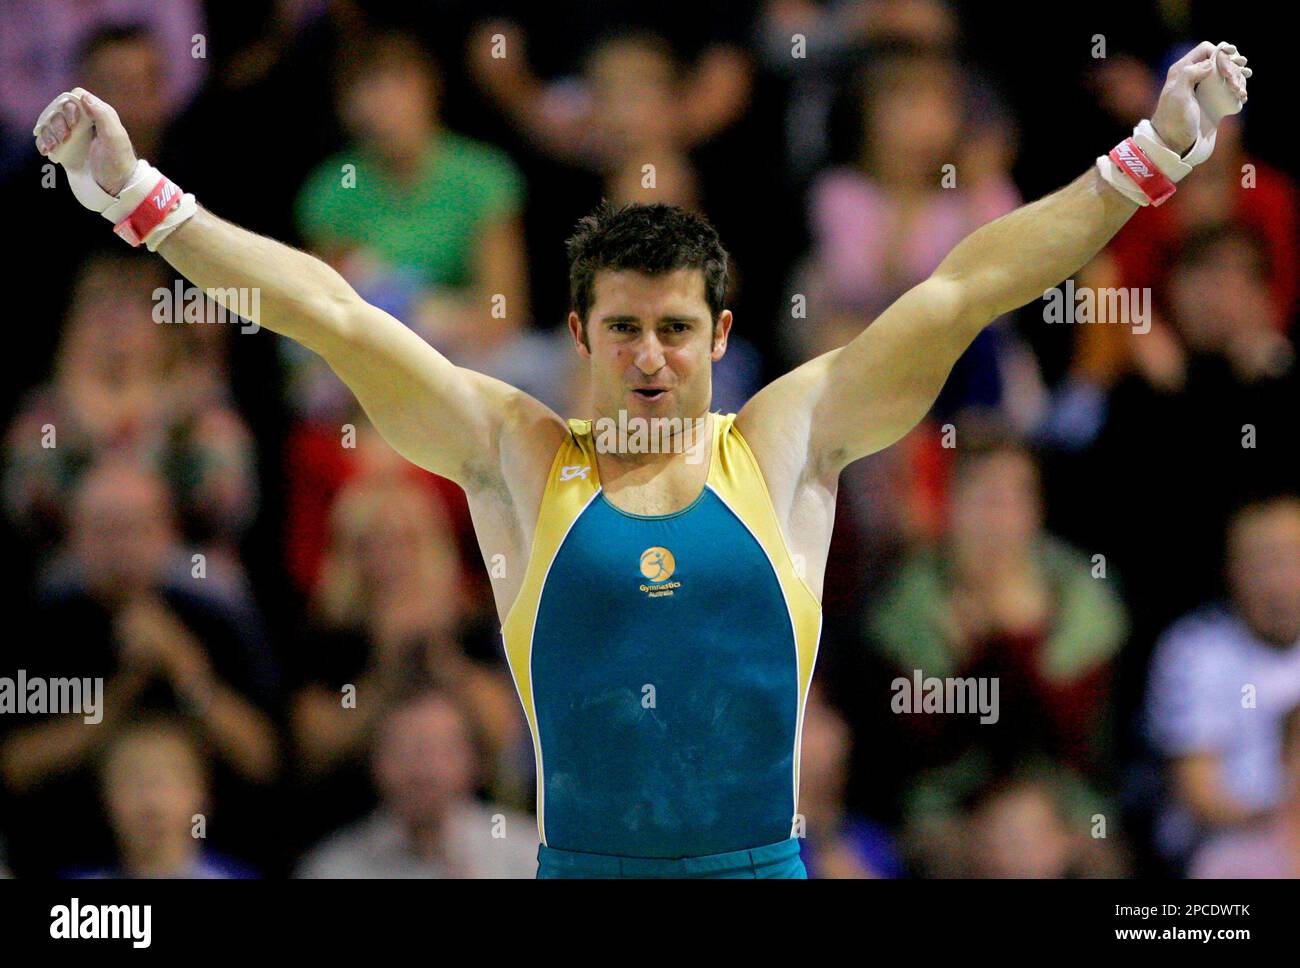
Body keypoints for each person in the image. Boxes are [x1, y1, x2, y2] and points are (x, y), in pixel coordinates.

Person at [33, 39, 1251, 878]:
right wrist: (141, 199)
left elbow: (964, 288)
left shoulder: (784, 439)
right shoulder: (516, 454)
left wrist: (1146, 158)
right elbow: (330, 313)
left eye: (676, 328)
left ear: (721, 332)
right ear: (579, 333)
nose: (651, 356)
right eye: (623, 327)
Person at [296, 688, 537, 879]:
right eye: (404, 751)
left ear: (476, 761)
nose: (424, 771)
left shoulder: (531, 856)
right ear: (373, 761)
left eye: (441, 751)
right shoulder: (331, 869)